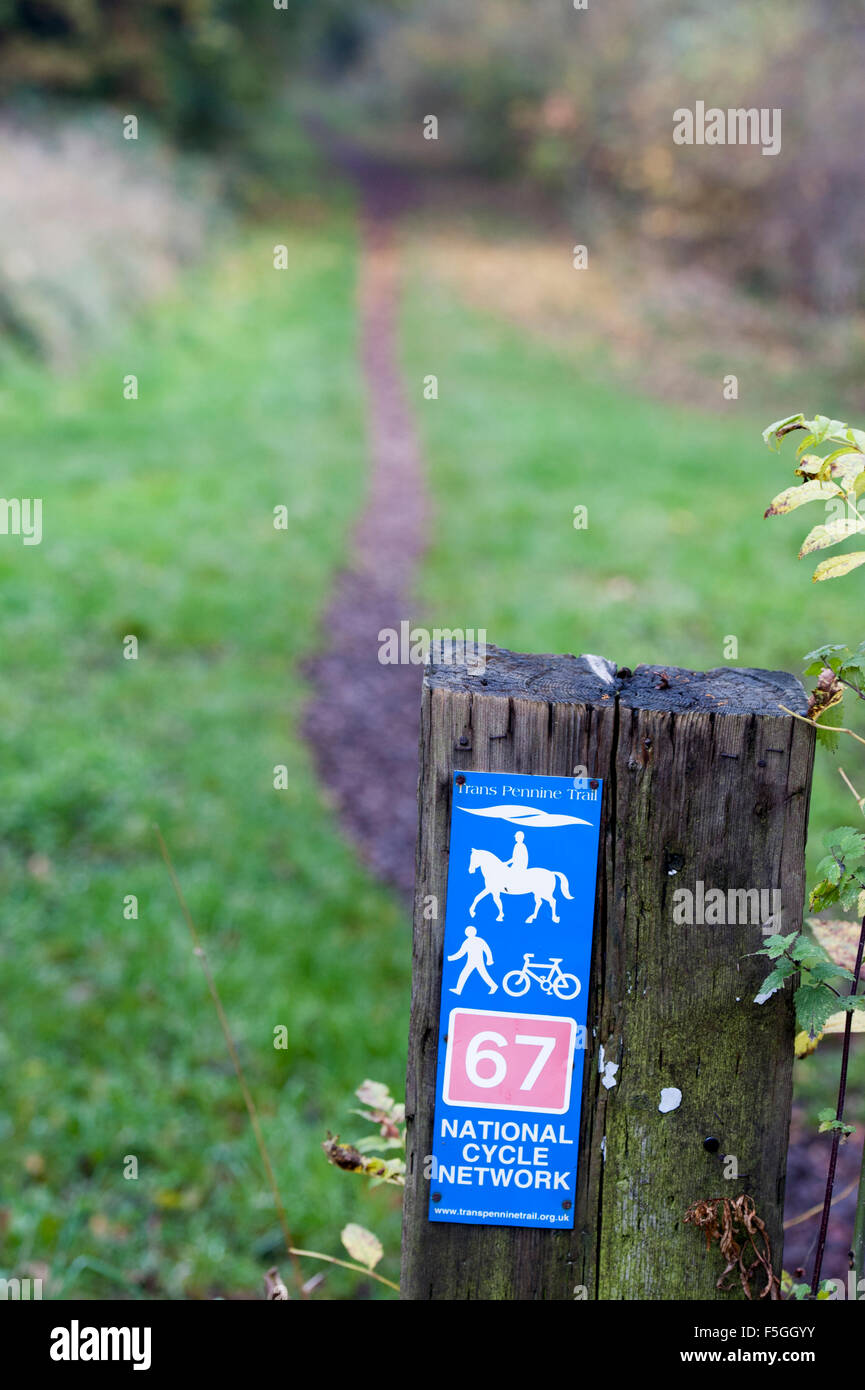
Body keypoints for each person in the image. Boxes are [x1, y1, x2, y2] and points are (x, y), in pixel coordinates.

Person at [448, 925, 497, 995]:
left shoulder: (475, 941)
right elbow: (461, 953)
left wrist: (490, 959)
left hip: (476, 962)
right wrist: (451, 958)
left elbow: (487, 949)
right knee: (467, 974)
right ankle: (458, 990)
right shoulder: (469, 941)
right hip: (472, 962)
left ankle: (494, 986)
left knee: (480, 974)